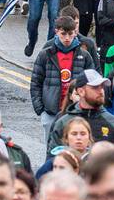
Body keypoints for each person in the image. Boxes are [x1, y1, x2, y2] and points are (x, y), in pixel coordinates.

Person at [30, 20, 96, 150]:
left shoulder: (84, 55)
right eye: (63, 34)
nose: (67, 38)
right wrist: (41, 109)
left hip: (77, 111)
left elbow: (91, 82)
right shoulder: (45, 54)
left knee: (77, 150)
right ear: (56, 32)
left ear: (75, 33)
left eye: (70, 34)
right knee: (52, 151)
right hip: (51, 112)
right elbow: (36, 82)